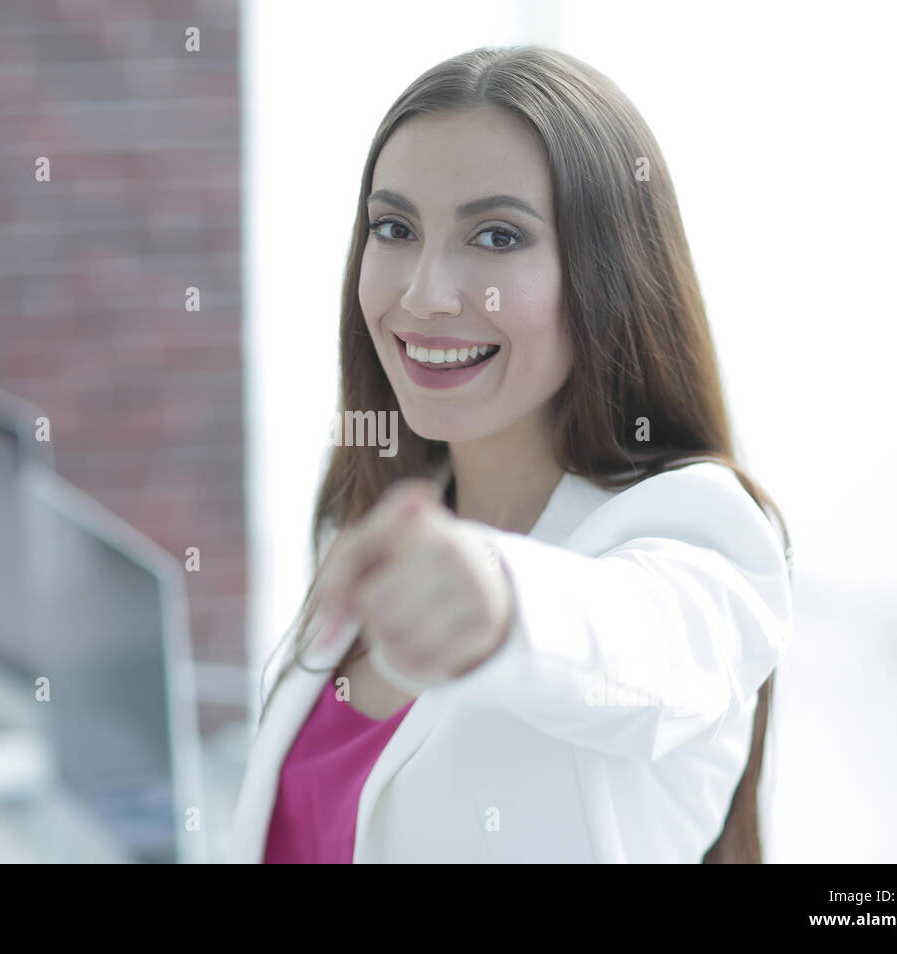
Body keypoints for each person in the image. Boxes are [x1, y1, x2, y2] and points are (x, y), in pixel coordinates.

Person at [225, 44, 793, 863]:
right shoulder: (391, 506)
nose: (424, 293)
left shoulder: (700, 535)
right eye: (395, 228)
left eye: (496, 236)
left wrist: (497, 599)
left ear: (609, 275)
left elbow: (643, 646)